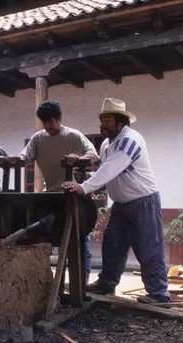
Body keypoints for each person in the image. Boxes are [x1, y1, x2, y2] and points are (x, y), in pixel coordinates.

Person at [62, 98, 170, 304]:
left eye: (108, 120)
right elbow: (108, 173)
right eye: (101, 120)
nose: (102, 125)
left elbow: (111, 168)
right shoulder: (105, 145)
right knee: (112, 244)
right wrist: (86, 179)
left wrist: (84, 187)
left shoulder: (131, 139)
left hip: (143, 202)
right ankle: (107, 283)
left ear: (121, 121)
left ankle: (159, 293)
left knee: (148, 248)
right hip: (121, 204)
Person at [0, 100, 98, 282]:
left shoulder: (74, 136)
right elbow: (25, 157)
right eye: (44, 123)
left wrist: (79, 158)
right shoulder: (38, 138)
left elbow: (93, 155)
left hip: (74, 193)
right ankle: (44, 278)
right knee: (47, 232)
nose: (48, 126)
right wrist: (15, 159)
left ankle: (82, 277)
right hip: (50, 193)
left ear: (59, 119)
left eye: (50, 122)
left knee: (79, 235)